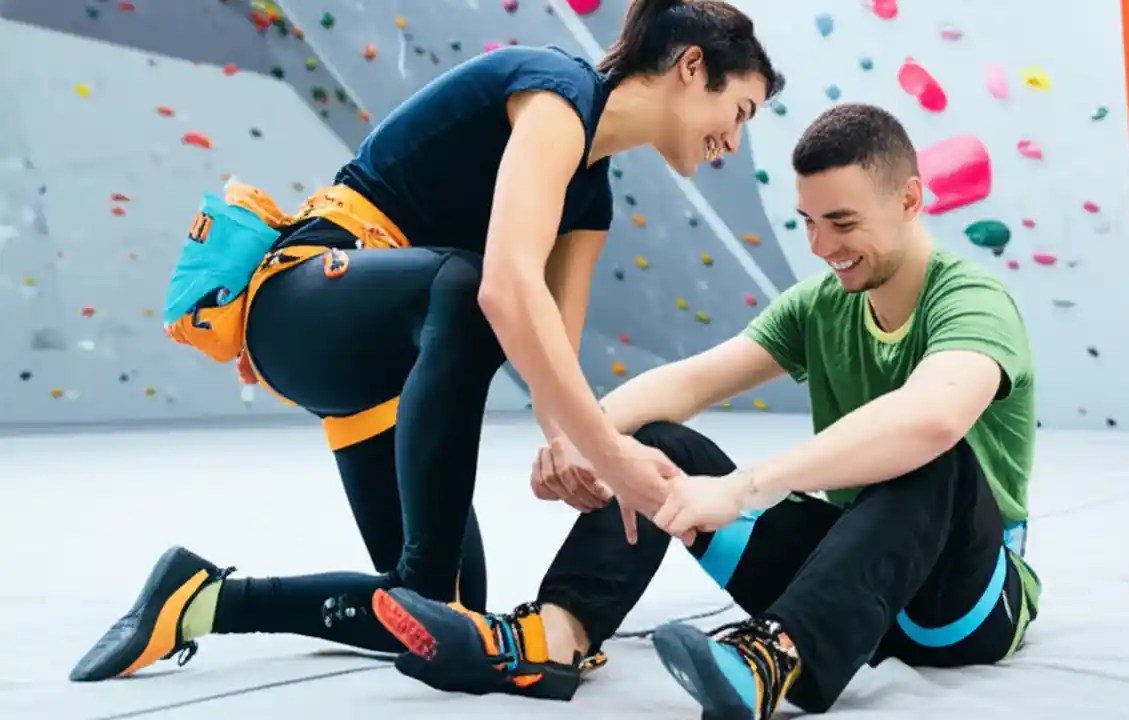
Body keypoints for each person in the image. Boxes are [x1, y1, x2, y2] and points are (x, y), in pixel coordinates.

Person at [68, 0, 783, 683]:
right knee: (471, 288)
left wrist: (569, 449)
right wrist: (615, 459)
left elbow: (552, 356)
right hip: (302, 302)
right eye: (740, 112)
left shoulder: (591, 201)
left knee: (445, 615)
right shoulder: (557, 90)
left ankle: (203, 600)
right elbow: (505, 290)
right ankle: (426, 588)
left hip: (377, 368)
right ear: (692, 67)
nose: (732, 141)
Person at [369, 103, 1044, 719]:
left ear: (910, 200)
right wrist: (585, 439)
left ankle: (772, 658)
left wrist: (745, 488)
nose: (820, 246)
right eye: (808, 222)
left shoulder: (973, 302)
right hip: (849, 583)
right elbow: (690, 382)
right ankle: (552, 639)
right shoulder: (820, 304)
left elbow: (931, 419)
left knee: (935, 461)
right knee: (655, 441)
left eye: (842, 222)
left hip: (958, 609)